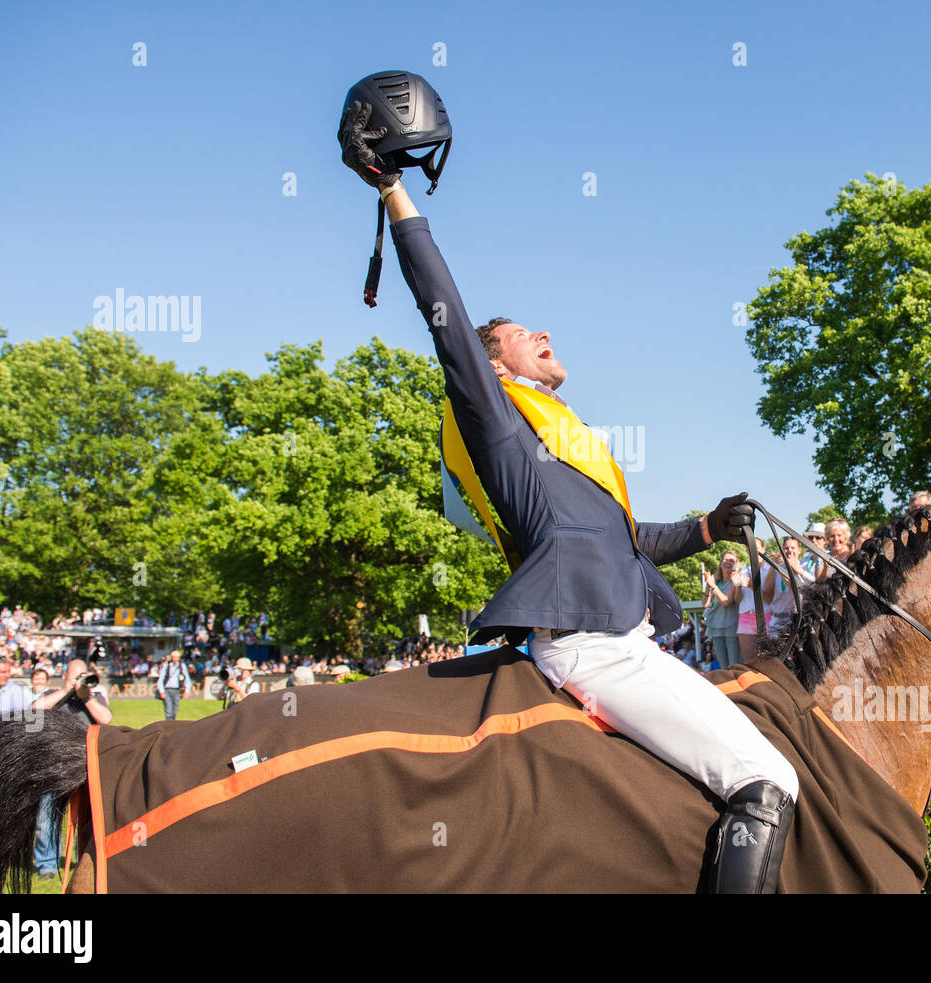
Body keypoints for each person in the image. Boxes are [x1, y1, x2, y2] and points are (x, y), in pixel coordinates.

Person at [344, 96, 797, 892]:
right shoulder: (496, 421)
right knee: (768, 781)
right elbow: (443, 313)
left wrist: (705, 526)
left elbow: (620, 540)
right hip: (590, 640)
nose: (543, 332)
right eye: (523, 333)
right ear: (499, 365)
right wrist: (394, 194)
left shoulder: (564, 439)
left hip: (618, 631)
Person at [30, 659, 112, 877]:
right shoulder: (53, 695)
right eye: (77, 675)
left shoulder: (94, 696)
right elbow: (34, 710)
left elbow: (106, 718)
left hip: (87, 764)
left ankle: (85, 861)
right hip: (54, 765)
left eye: (84, 674)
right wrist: (66, 690)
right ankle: (47, 865)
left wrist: (86, 698)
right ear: (66, 676)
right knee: (46, 818)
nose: (81, 679)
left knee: (90, 818)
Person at [702, 551, 743, 669]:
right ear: (721, 563)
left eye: (732, 560)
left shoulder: (735, 581)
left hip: (731, 627)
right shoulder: (717, 582)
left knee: (734, 666)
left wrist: (713, 586)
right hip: (716, 627)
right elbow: (705, 604)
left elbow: (726, 601)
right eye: (726, 560)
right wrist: (708, 585)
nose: (728, 562)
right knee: (723, 667)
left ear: (737, 564)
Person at [155, 651, 193, 721]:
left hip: (177, 690)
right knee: (168, 711)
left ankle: (172, 724)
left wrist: (187, 691)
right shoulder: (167, 666)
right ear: (171, 658)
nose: (175, 659)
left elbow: (187, 679)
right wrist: (162, 691)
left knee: (175, 710)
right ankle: (169, 726)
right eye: (174, 657)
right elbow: (161, 679)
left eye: (177, 657)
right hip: (167, 689)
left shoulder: (182, 666)